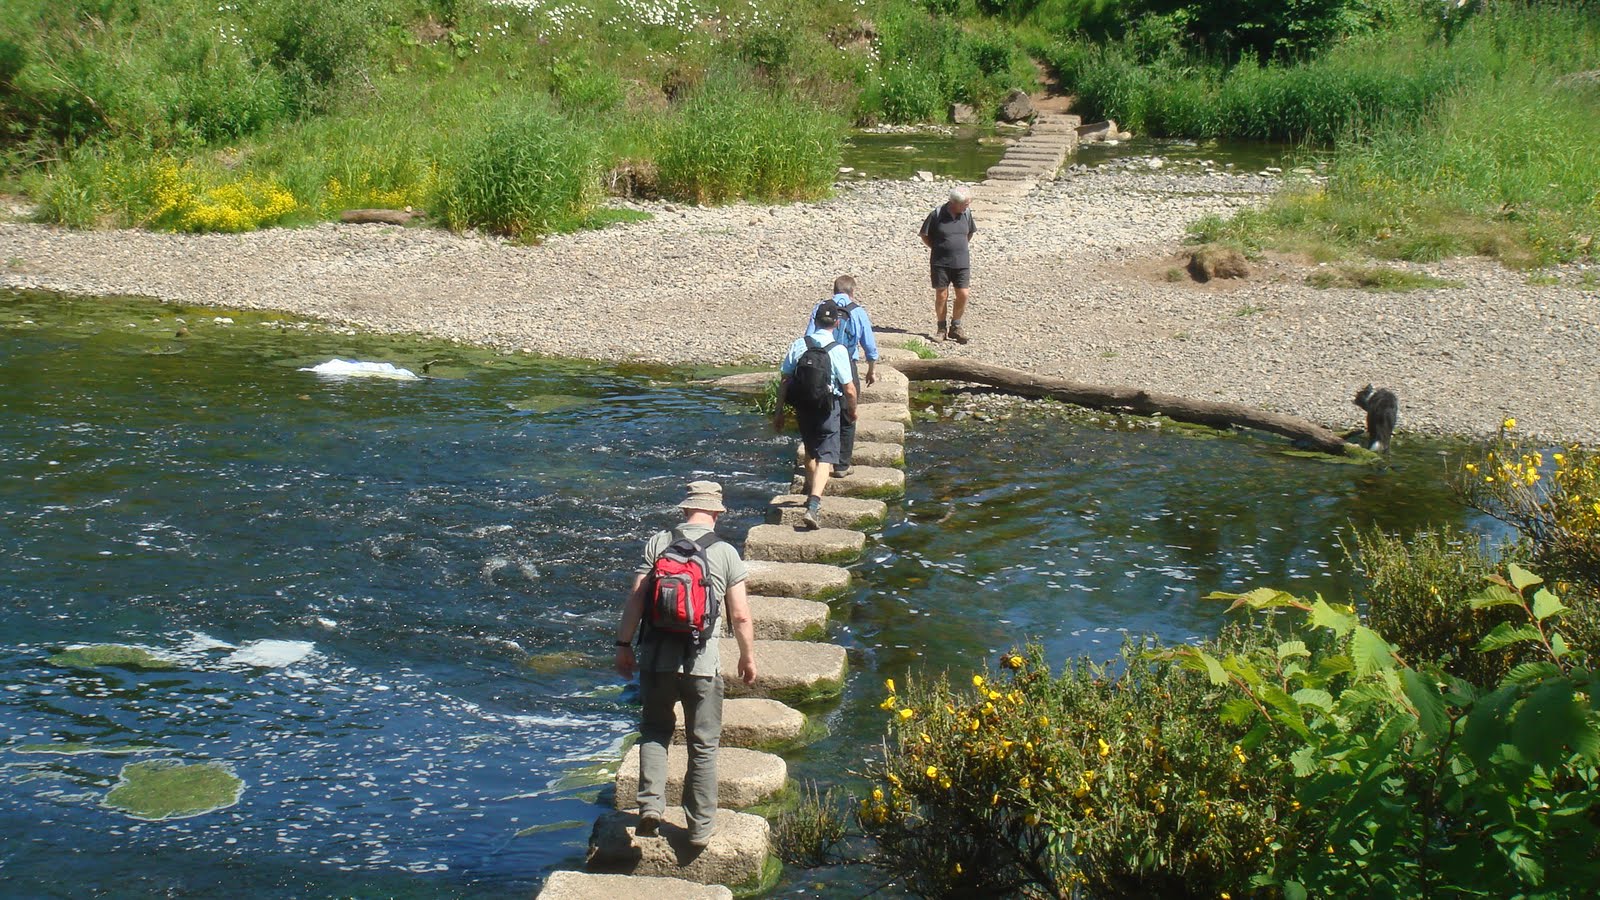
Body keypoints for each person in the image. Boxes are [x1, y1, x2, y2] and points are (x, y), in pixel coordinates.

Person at [614, 480, 758, 848]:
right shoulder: (725, 552)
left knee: (655, 730)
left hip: (656, 661)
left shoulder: (658, 544)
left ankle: (650, 807)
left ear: (685, 510)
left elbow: (636, 599)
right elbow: (741, 615)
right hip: (702, 664)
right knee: (703, 745)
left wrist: (623, 645)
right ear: (717, 513)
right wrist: (747, 656)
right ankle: (700, 829)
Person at [772, 305, 856, 529]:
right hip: (828, 407)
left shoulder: (799, 345)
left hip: (803, 406)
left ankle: (811, 492)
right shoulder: (838, 350)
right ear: (836, 323)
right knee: (826, 455)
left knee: (811, 451)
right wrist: (852, 410)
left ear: (815, 321)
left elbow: (785, 380)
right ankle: (813, 505)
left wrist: (779, 411)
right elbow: (849, 389)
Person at [807, 274, 879, 478]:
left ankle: (820, 460)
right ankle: (842, 465)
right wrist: (871, 369)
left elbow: (809, 337)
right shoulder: (857, 312)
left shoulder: (820, 308)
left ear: (834, 290)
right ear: (852, 291)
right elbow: (869, 345)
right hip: (847, 363)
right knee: (848, 414)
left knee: (821, 411)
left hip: (821, 364)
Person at [919, 186, 978, 344]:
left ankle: (956, 326)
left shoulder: (967, 214)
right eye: (965, 203)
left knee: (963, 294)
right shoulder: (937, 214)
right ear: (954, 203)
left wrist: (958, 247)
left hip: (962, 261)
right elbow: (924, 235)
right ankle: (941, 328)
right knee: (941, 295)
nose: (967, 206)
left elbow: (970, 233)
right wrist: (938, 248)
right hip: (940, 262)